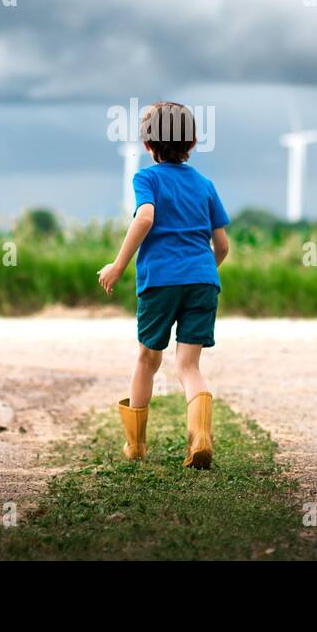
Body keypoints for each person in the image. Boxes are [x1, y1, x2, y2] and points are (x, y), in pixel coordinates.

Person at [97, 101, 230, 468]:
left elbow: (146, 217)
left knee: (147, 359)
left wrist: (118, 265)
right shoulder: (205, 185)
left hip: (160, 283)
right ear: (193, 142)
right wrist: (201, 270)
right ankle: (200, 438)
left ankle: (136, 446)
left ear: (147, 145)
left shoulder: (147, 179)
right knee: (189, 366)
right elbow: (222, 246)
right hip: (203, 281)